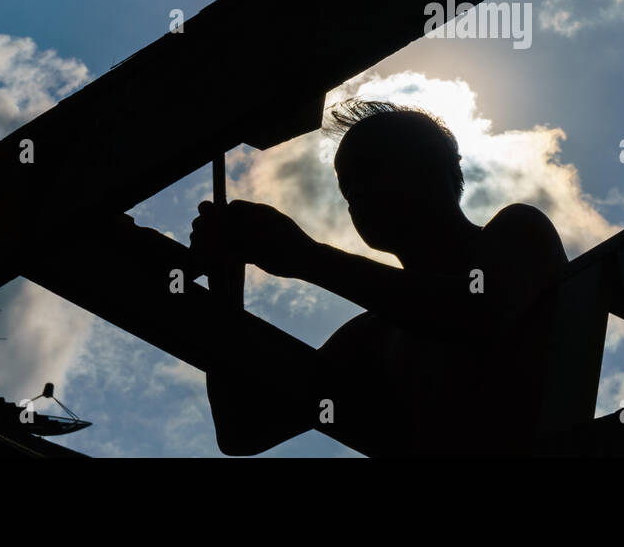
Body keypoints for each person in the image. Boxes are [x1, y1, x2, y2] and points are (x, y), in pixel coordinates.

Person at [191, 99, 568, 456]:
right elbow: (243, 428)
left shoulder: (520, 230)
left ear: (440, 167)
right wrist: (224, 286)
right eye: (346, 184)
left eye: (372, 168)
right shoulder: (371, 337)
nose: (355, 192)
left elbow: (475, 311)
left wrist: (304, 258)